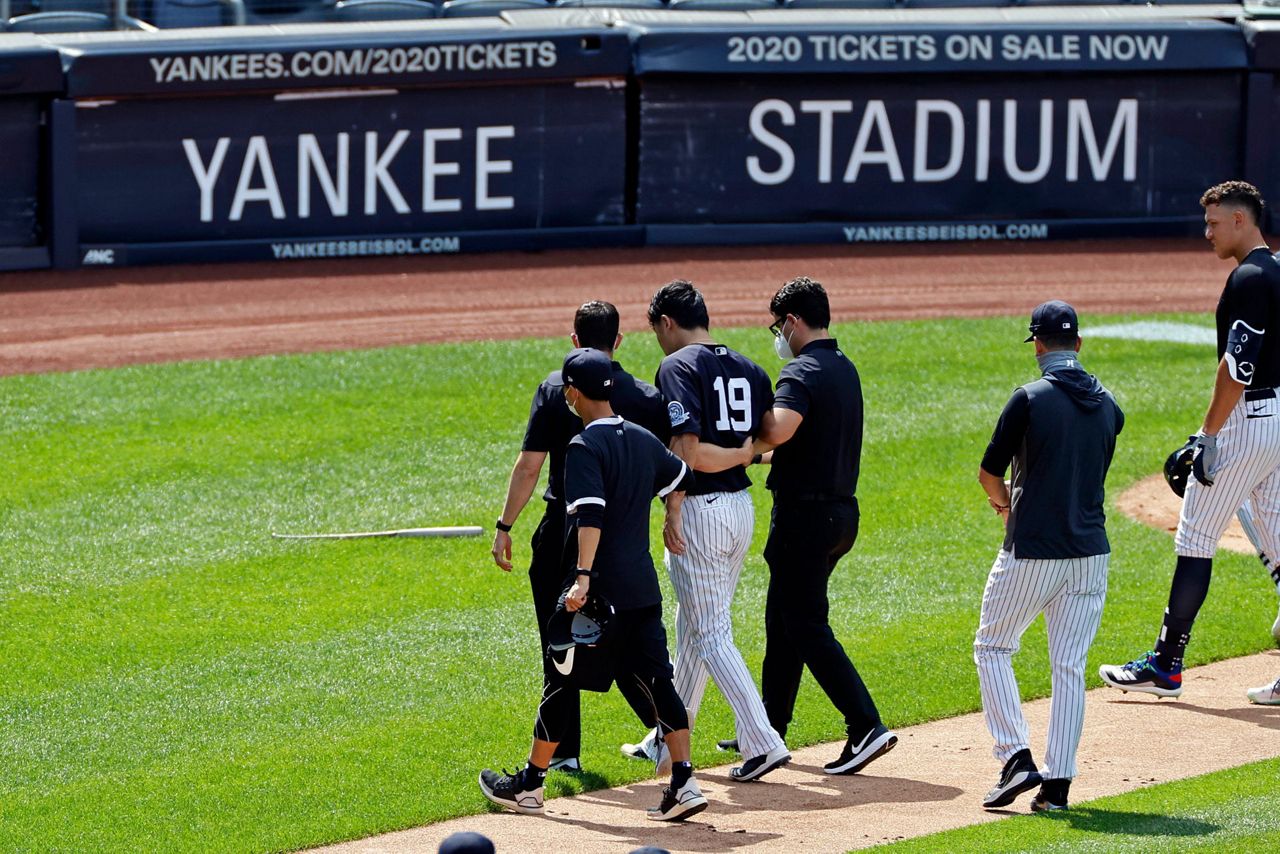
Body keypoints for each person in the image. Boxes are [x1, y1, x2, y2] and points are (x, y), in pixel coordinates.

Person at [479, 348, 708, 822]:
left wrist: (581, 577)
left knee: (560, 680)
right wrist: (672, 517)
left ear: (574, 393)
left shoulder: (583, 446)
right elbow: (681, 474)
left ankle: (530, 786)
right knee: (658, 679)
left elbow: (591, 515)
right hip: (642, 588)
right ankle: (684, 779)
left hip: (598, 592)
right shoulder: (643, 438)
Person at [1100, 181, 1280, 705]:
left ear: (1242, 220)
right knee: (1276, 540)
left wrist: (1207, 435)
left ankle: (1165, 664)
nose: (1207, 233)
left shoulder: (1248, 277)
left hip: (1248, 424)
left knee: (1196, 537)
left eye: (1214, 223)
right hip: (1278, 421)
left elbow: (1237, 367)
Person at [620, 280, 790, 783]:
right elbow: (766, 436)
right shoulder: (750, 365)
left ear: (667, 323)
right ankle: (668, 734)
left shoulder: (678, 365)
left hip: (700, 508)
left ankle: (762, 741)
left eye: (656, 331)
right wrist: (744, 455)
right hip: (740, 507)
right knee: (694, 624)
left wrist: (673, 509)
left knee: (711, 632)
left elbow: (685, 442)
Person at [490, 301, 669, 772]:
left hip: (562, 535)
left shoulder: (556, 389)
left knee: (560, 643)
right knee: (630, 642)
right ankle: (667, 733)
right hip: (624, 537)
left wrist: (504, 526)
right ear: (619, 341)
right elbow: (669, 466)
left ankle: (562, 753)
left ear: (574, 340)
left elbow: (530, 466)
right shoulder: (644, 396)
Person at [737, 276, 898, 775]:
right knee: (782, 623)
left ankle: (865, 725)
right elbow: (812, 443)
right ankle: (768, 731)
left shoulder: (801, 371)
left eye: (776, 326)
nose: (776, 336)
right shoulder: (843, 368)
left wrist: (744, 434)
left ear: (791, 320)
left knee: (803, 624)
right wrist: (762, 462)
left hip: (804, 518)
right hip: (838, 514)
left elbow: (779, 430)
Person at [974, 301, 1124, 813]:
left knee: (993, 646)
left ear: (1038, 346)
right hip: (1090, 554)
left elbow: (989, 472)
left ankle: (1015, 755)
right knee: (1068, 667)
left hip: (1033, 550)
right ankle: (1057, 787)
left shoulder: (1028, 399)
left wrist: (1003, 504)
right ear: (1077, 345)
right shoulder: (1109, 405)